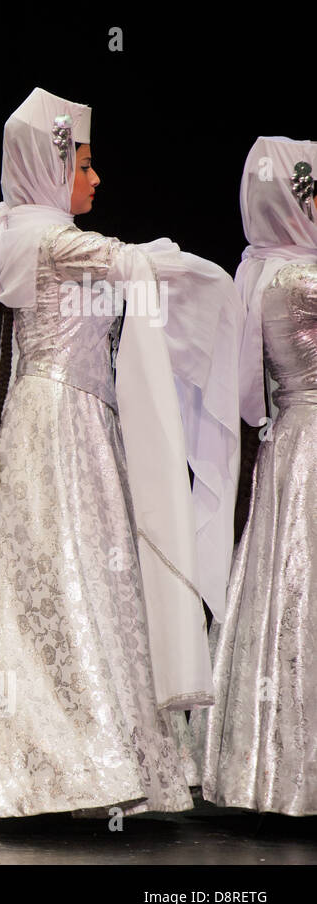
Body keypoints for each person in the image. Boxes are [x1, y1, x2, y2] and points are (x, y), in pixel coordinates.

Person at [0, 88, 241, 818]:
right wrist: (181, 269)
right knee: (61, 594)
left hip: (64, 432)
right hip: (55, 432)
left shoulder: (24, 235)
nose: (96, 181)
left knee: (69, 598)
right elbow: (124, 263)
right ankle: (68, 770)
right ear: (52, 162)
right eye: (85, 165)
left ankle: (61, 767)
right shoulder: (37, 238)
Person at [198, 136, 317, 815]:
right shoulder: (301, 280)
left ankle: (268, 770)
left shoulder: (260, 275)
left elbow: (248, 397)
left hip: (284, 446)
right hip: (308, 440)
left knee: (278, 596)